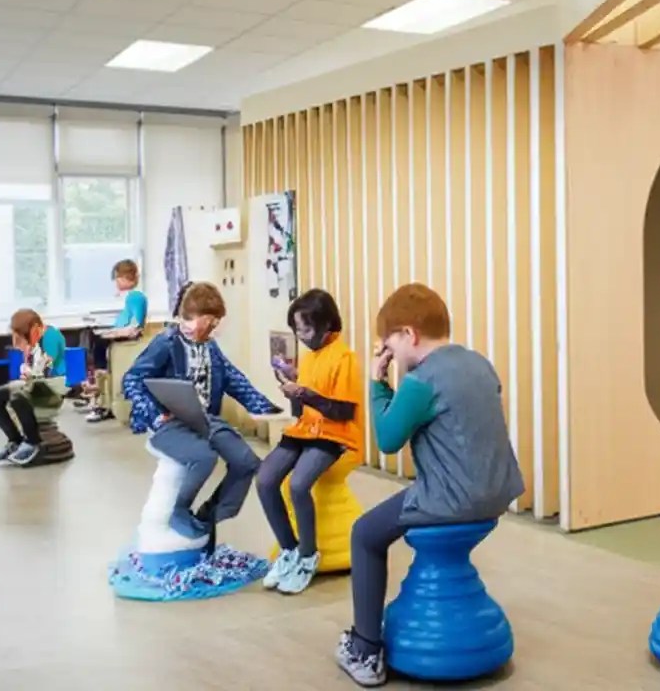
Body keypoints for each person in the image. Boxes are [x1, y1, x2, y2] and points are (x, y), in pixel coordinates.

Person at [336, 283, 524, 687]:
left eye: (390, 346)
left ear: (410, 334)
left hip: (450, 500)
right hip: (497, 493)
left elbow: (388, 439)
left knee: (365, 534)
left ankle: (365, 649)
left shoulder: (421, 381)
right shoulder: (480, 364)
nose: (389, 355)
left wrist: (377, 382)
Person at [121, 281, 279, 550]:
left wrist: (264, 407)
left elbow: (233, 379)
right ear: (194, 318)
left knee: (247, 462)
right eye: (208, 322)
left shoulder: (210, 346)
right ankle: (179, 510)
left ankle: (210, 515)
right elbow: (131, 380)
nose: (211, 328)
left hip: (204, 419)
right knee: (204, 456)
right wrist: (156, 415)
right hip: (169, 422)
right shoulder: (166, 343)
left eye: (214, 323)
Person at [257, 289, 363, 595]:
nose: (300, 337)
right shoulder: (309, 357)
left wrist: (305, 393)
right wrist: (291, 384)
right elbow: (302, 410)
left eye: (304, 330)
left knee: (299, 485)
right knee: (265, 480)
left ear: (325, 325)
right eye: (296, 330)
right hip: (306, 430)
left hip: (335, 433)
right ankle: (289, 550)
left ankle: (307, 556)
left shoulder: (344, 357)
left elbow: (343, 411)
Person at [0, 309, 68, 466]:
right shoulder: (32, 343)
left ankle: (32, 442)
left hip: (54, 385)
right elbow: (31, 369)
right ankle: (14, 441)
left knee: (18, 397)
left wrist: (30, 372)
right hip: (34, 383)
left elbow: (45, 369)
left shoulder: (51, 336)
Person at [81, 259, 149, 423]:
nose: (116, 282)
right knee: (92, 338)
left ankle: (100, 394)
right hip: (122, 331)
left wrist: (113, 333)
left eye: (118, 278)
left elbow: (135, 325)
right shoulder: (129, 297)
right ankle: (98, 389)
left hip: (129, 334)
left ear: (126, 278)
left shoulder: (135, 297)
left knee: (97, 343)